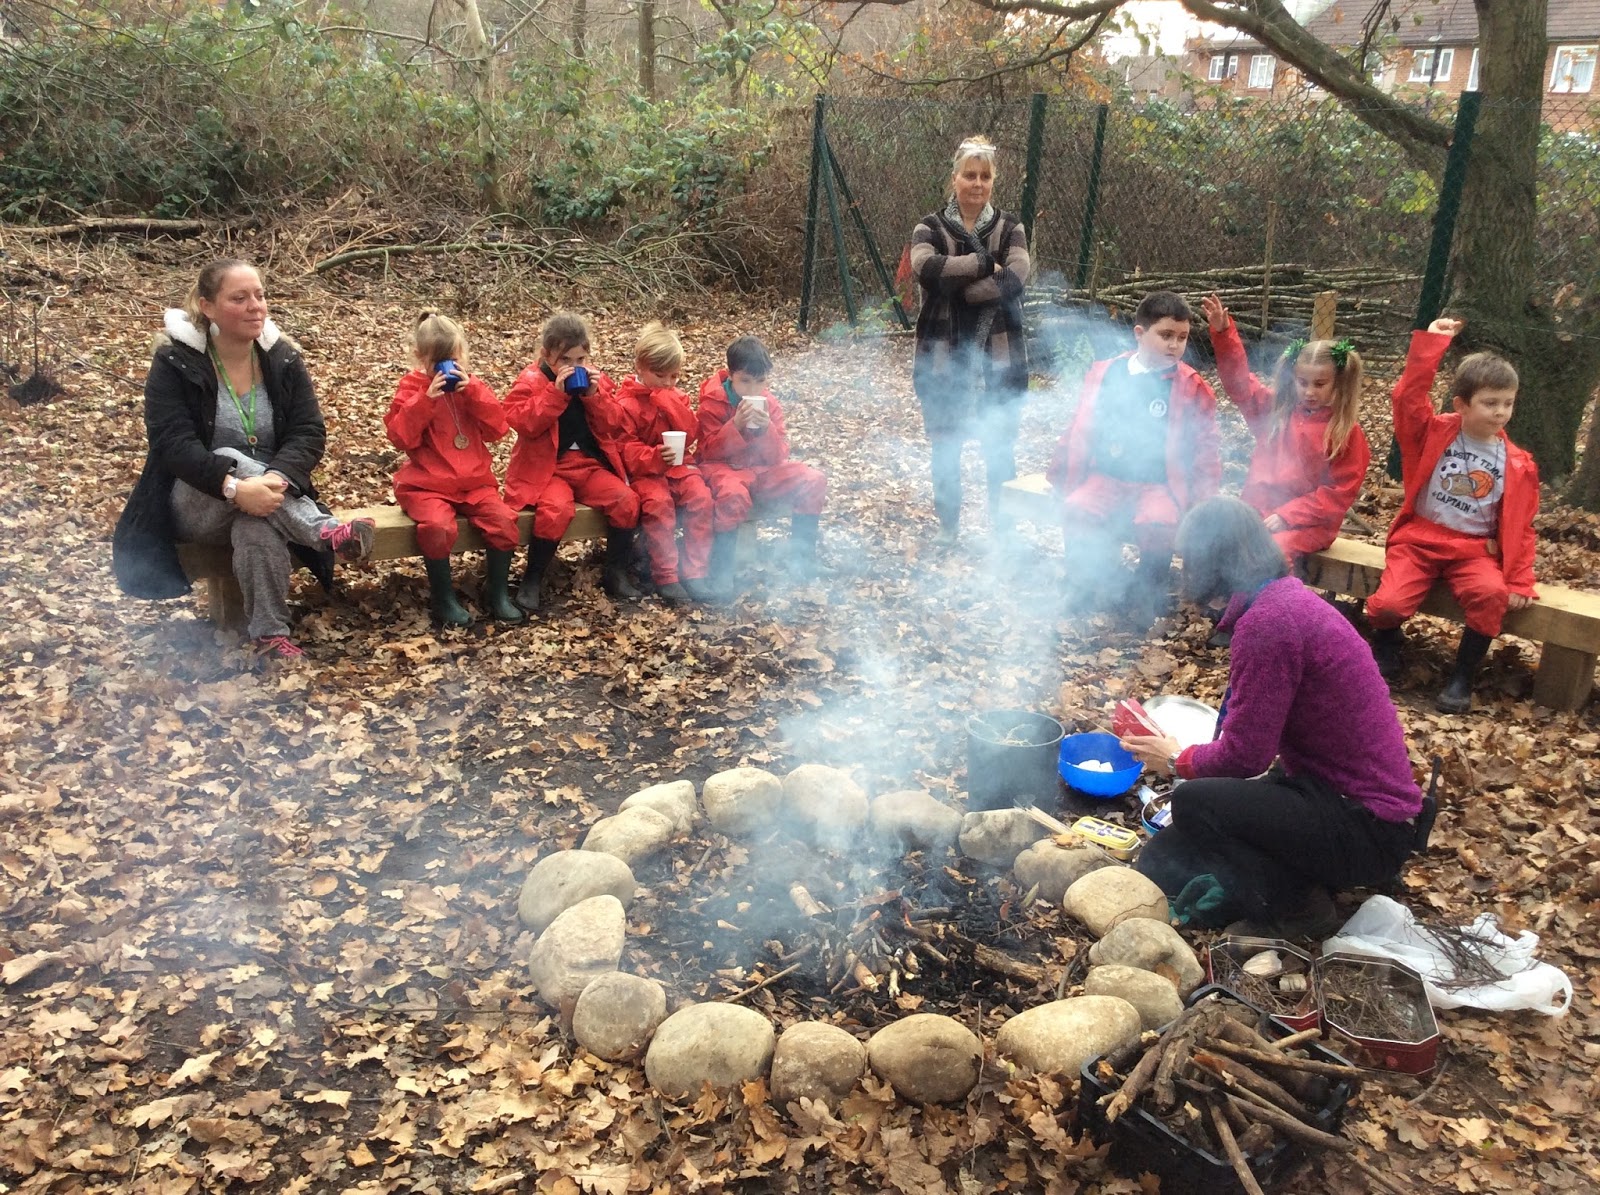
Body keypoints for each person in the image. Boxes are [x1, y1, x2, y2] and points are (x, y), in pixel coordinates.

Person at [1120, 497, 1424, 938]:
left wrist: (1176, 759)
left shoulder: (1269, 623)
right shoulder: (1282, 601)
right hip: (1334, 797)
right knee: (1162, 859)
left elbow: (1246, 758)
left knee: (1193, 804)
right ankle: (1295, 877)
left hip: (1368, 825)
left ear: (1210, 562)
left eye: (1188, 560)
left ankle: (1300, 910)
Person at [112, 258, 373, 659]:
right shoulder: (175, 363)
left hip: (271, 497)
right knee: (228, 454)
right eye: (239, 298)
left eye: (260, 295)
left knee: (256, 526)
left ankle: (269, 634)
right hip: (194, 500)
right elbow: (173, 445)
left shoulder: (282, 359)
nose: (256, 306)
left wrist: (274, 482)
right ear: (208, 306)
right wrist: (234, 486)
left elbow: (308, 431)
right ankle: (324, 532)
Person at [1365, 318, 1538, 713]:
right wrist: (1433, 345)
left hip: (1474, 550)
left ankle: (1462, 675)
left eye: (1508, 403)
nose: (1500, 413)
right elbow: (1408, 398)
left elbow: (1522, 527)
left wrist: (1519, 579)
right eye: (1490, 403)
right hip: (1420, 540)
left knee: (1491, 595)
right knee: (1388, 603)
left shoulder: (1518, 463)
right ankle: (1387, 644)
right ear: (1461, 404)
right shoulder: (1434, 433)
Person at [1045, 290, 1220, 624]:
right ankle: (1083, 584)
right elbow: (1079, 425)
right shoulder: (1106, 373)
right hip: (1106, 476)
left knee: (1159, 521)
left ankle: (1145, 596)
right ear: (1140, 334)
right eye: (1166, 335)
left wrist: (1201, 501)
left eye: (1182, 338)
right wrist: (1060, 474)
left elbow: (1205, 449)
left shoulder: (1190, 387)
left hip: (1157, 483)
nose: (1175, 345)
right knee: (1078, 509)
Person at [907, 135, 1031, 546]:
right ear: (955, 178)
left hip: (1000, 355)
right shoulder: (928, 227)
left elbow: (1016, 276)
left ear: (993, 180)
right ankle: (948, 529)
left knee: (999, 448)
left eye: (985, 176)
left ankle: (1003, 534)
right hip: (941, 356)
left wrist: (963, 290)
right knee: (946, 447)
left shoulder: (1011, 227)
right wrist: (981, 263)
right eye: (969, 175)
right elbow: (926, 267)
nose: (977, 183)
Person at [1201, 293, 1369, 563]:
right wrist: (1223, 333)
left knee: (1269, 557)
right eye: (1302, 382)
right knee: (1216, 539)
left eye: (1319, 384)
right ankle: (1231, 604)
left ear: (1339, 383)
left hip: (1307, 524)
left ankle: (1273, 605)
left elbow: (1336, 496)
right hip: (1260, 510)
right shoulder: (1275, 411)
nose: (1309, 391)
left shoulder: (1344, 432)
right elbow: (1240, 383)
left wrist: (1288, 515)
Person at [384, 311, 523, 627]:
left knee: (503, 522)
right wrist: (425, 400)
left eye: (453, 357)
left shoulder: (472, 387)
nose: (447, 366)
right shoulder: (411, 388)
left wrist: (473, 392)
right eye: (438, 361)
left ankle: (497, 592)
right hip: (427, 484)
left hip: (475, 483)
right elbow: (399, 437)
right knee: (437, 528)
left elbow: (498, 430)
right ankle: (443, 598)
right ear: (421, 358)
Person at [503, 312, 641, 612]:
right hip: (548, 469)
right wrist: (555, 395)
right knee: (555, 510)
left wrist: (594, 396)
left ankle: (615, 571)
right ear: (546, 354)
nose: (574, 367)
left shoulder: (596, 380)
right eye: (565, 359)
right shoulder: (531, 380)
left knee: (626, 501)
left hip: (589, 465)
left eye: (580, 359)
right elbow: (521, 422)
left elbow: (614, 424)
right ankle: (533, 578)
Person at [696, 336, 827, 588]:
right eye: (745, 381)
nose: (753, 389)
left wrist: (767, 430)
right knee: (732, 494)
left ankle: (803, 559)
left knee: (813, 479)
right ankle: (722, 570)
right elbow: (707, 452)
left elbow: (779, 456)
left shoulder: (770, 404)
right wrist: (734, 427)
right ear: (731, 375)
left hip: (763, 470)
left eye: (760, 381)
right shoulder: (713, 403)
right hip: (725, 469)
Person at [614, 323, 715, 603]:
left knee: (701, 498)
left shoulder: (676, 396)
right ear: (640, 367)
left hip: (679, 467)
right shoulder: (625, 403)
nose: (668, 382)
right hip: (645, 473)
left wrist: (669, 402)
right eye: (660, 375)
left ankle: (696, 572)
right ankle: (666, 576)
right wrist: (655, 457)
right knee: (659, 506)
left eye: (674, 376)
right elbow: (625, 449)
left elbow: (691, 433)